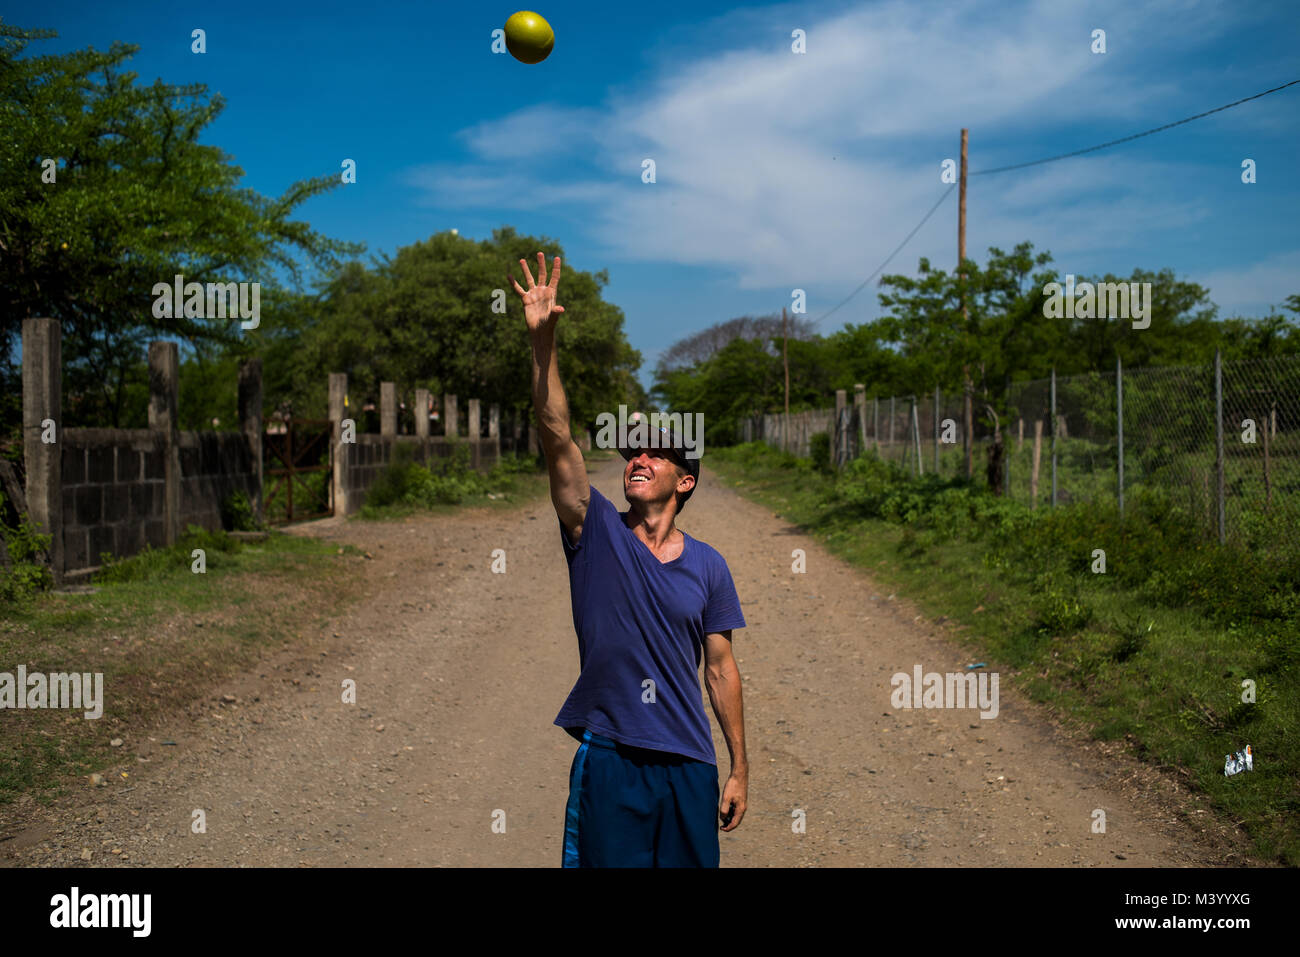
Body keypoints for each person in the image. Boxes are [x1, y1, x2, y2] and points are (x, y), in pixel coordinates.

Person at [508, 251, 749, 868]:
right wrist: (543, 345)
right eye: (632, 453)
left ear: (686, 481)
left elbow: (719, 671)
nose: (638, 459)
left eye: (656, 455)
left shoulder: (709, 566)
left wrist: (739, 767)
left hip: (691, 763)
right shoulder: (595, 531)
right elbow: (557, 434)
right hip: (612, 755)